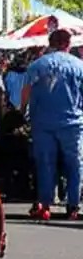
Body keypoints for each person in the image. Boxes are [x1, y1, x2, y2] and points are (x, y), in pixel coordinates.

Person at [21, 29, 83, 220]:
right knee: (75, 165)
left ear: (50, 43)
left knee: (45, 164)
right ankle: (73, 206)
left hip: (43, 123)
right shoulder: (79, 66)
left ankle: (45, 204)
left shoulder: (37, 65)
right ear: (67, 44)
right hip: (72, 122)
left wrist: (23, 111)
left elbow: (26, 91)